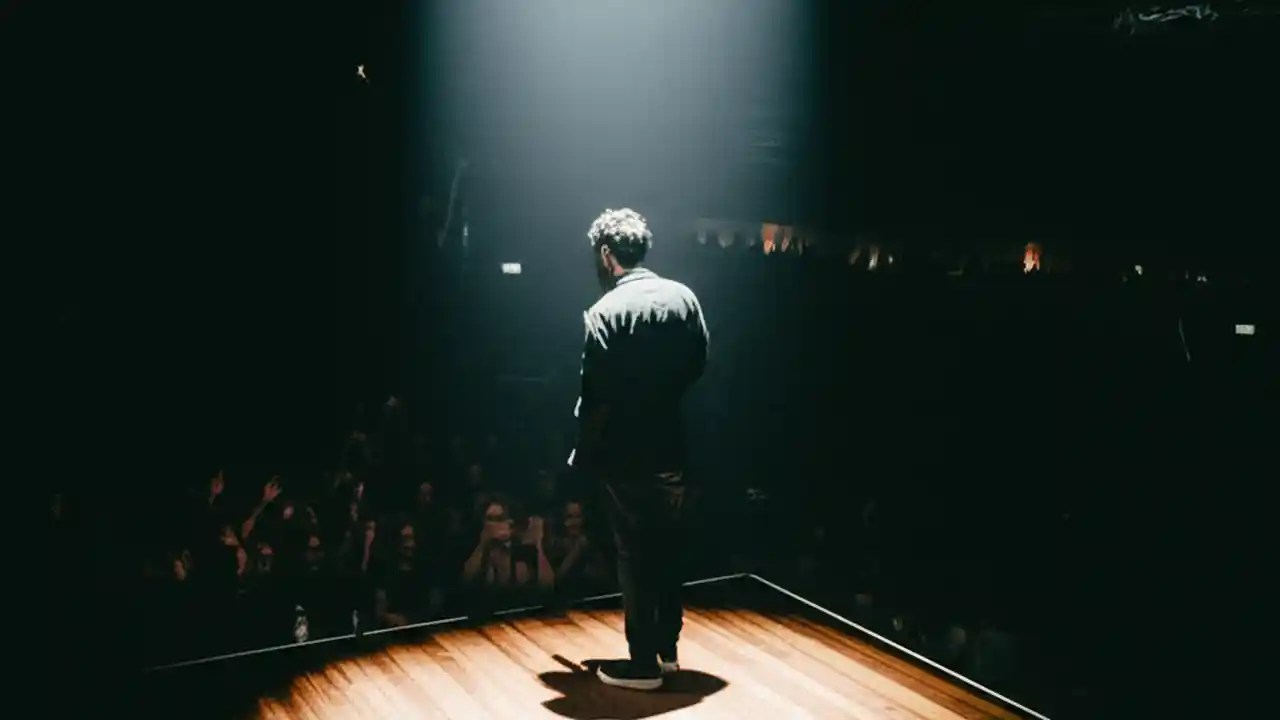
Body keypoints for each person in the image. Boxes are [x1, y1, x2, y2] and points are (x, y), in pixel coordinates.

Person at [570, 208, 709, 690]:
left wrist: (581, 453)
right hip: (673, 441)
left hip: (626, 451)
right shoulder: (684, 298)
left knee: (633, 552)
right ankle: (668, 650)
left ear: (607, 255)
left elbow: (595, 396)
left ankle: (643, 662)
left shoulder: (604, 312)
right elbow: (699, 364)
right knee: (668, 546)